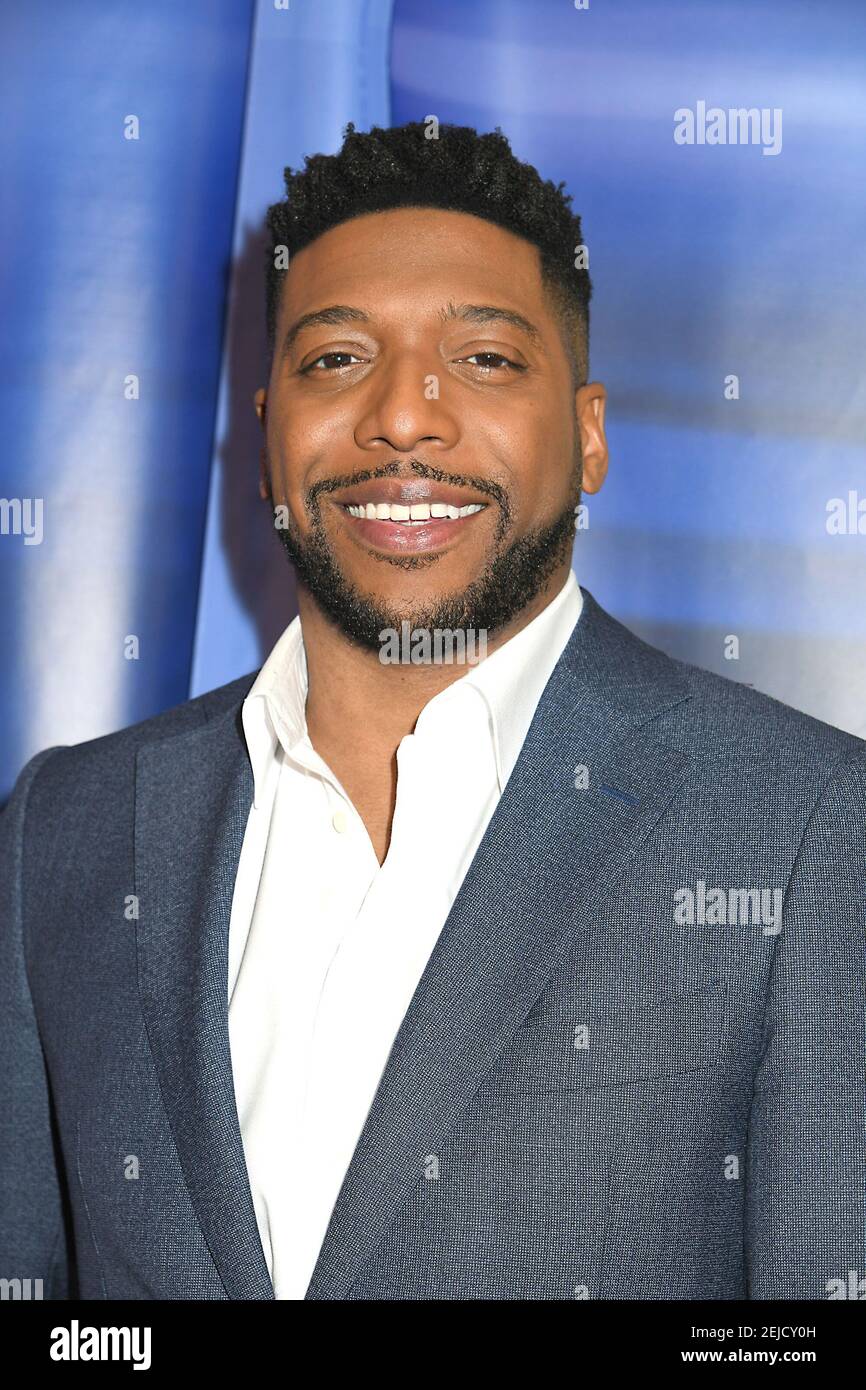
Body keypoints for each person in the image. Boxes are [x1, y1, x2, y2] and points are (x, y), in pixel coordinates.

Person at [1, 122, 864, 1301]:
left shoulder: (799, 822)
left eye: (485, 360)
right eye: (336, 359)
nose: (403, 417)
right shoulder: (69, 824)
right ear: (262, 436)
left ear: (591, 433)